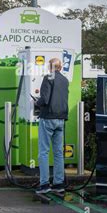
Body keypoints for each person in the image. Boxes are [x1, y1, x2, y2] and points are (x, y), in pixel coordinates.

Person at [35, 58, 69, 195]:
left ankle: (44, 185)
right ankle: (58, 184)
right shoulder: (65, 80)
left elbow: (45, 99)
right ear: (60, 67)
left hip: (47, 118)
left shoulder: (48, 77)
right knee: (58, 153)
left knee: (43, 152)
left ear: (50, 67)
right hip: (61, 119)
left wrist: (38, 101)